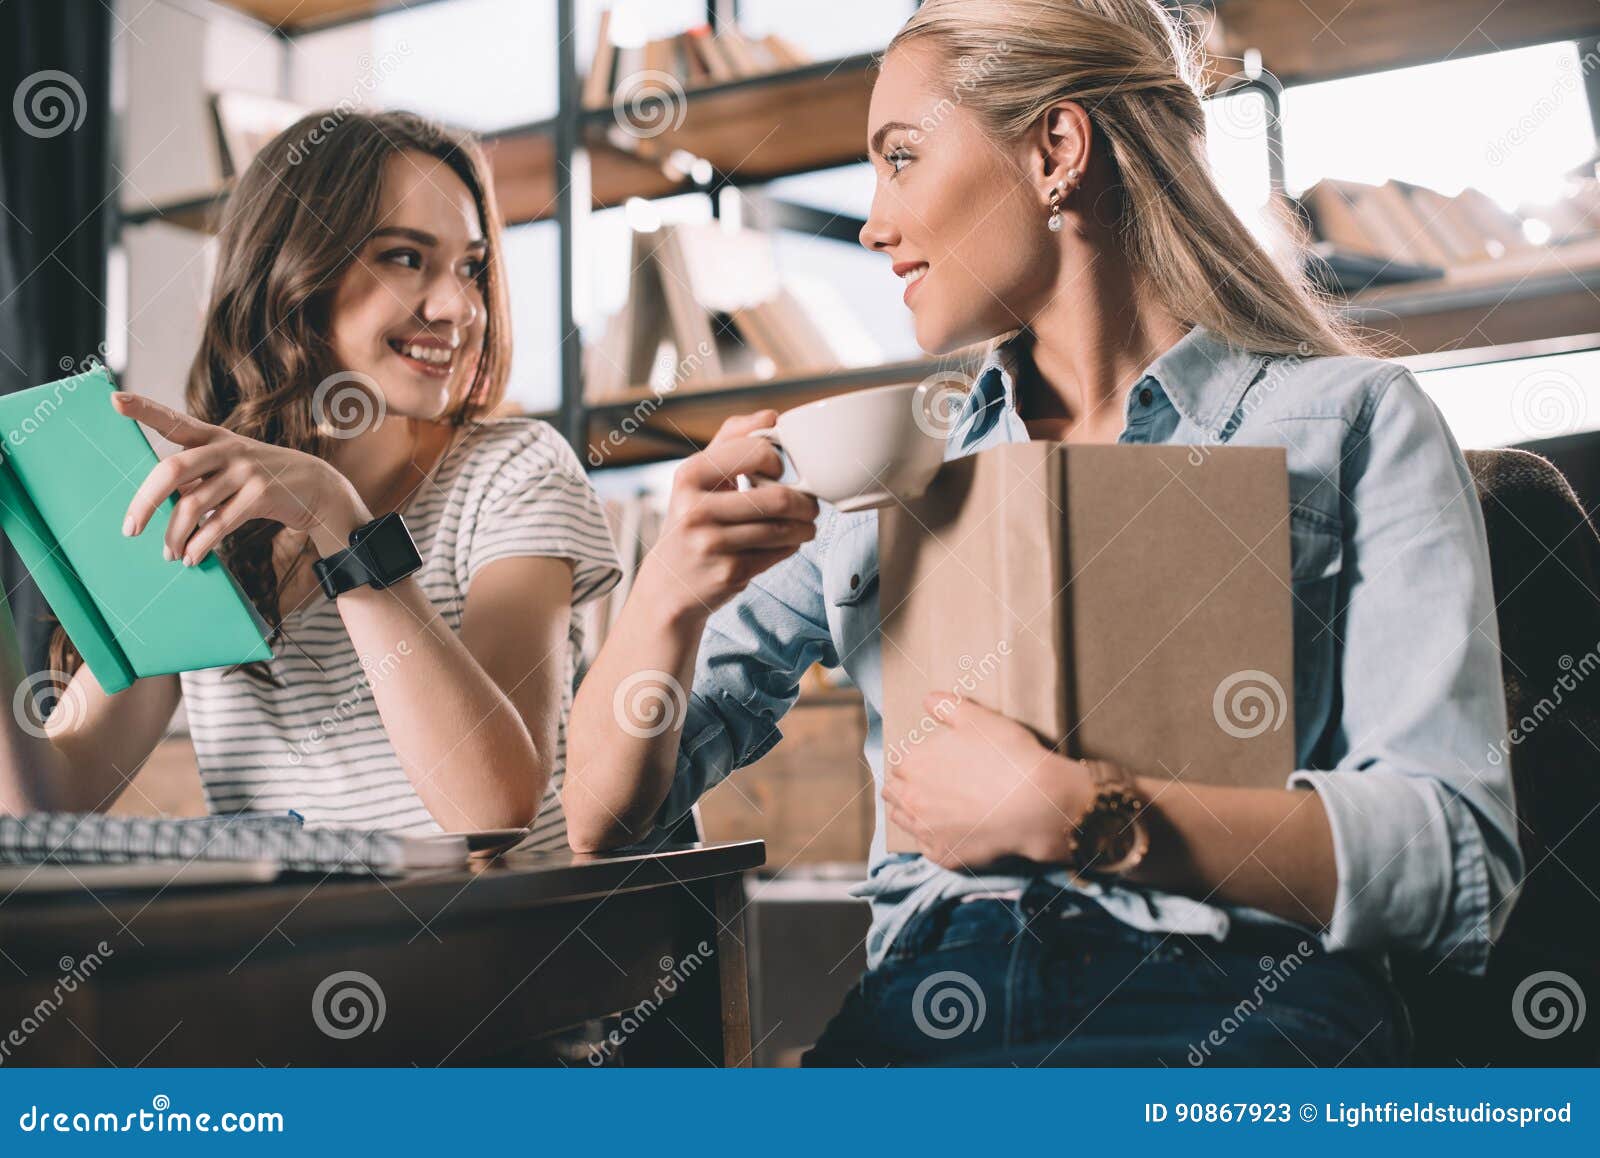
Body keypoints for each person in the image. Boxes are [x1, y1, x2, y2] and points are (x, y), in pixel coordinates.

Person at [564, 0, 1522, 1065]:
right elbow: (604, 825)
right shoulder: (888, 466)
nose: (874, 223)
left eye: (899, 158)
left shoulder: (1352, 422)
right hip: (930, 1019)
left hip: (1239, 1009)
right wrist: (665, 600)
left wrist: (1083, 815)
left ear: (1055, 150)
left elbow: (1451, 859)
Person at [0, 110, 620, 848]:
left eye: (472, 267)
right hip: (293, 950)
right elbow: (42, 807)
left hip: (492, 948)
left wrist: (341, 524)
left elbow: (492, 806)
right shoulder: (203, 511)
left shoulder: (515, 472)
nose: (459, 306)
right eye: (404, 258)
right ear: (291, 276)